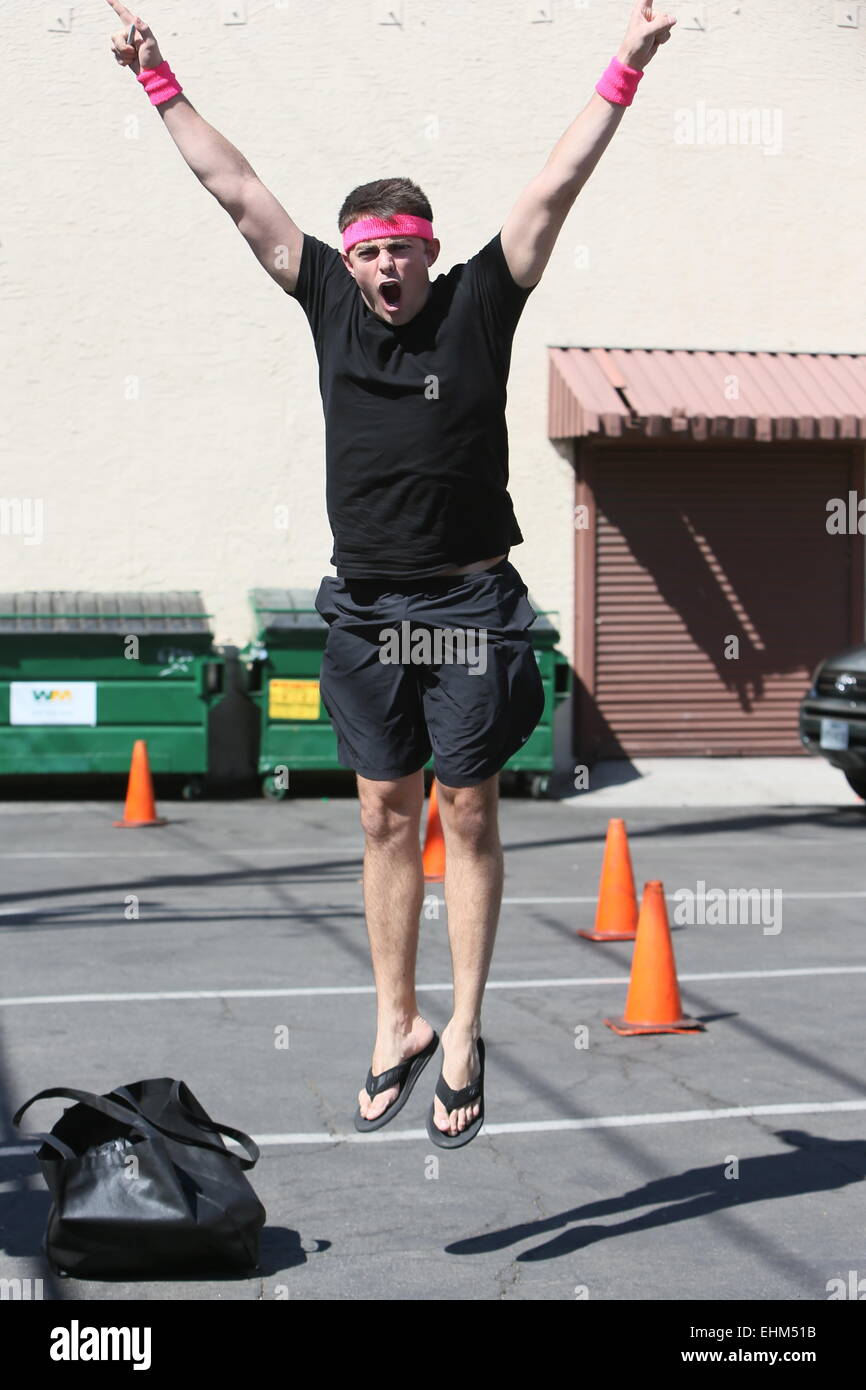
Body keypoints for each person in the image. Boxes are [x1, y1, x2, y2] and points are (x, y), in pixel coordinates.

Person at [106, 0, 677, 1148]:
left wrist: (621, 66)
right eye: (364, 251)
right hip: (367, 603)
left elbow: (554, 186)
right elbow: (235, 188)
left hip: (467, 600)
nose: (380, 267)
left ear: (426, 249)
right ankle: (396, 1019)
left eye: (396, 250)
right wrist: (158, 79)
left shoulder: (478, 301)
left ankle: (462, 1028)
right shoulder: (324, 296)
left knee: (463, 807)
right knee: (381, 812)